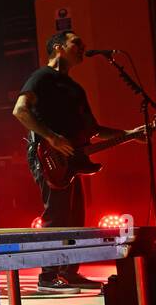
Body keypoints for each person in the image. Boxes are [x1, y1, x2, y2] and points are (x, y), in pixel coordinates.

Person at [12, 31, 139, 291]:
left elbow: (93, 130)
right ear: (58, 48)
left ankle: (69, 272)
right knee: (57, 214)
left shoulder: (75, 88)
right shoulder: (42, 77)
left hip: (71, 158)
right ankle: (48, 277)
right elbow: (20, 110)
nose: (83, 47)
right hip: (47, 154)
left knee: (75, 216)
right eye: (77, 43)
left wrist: (130, 135)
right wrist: (52, 137)